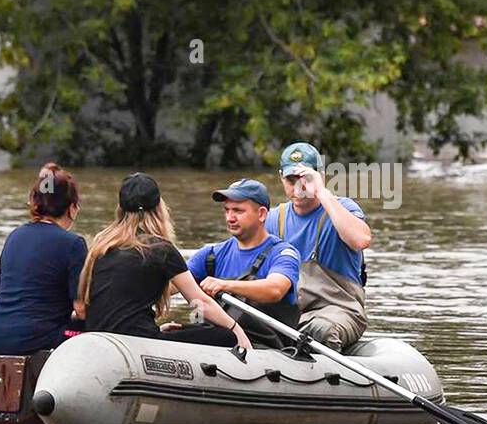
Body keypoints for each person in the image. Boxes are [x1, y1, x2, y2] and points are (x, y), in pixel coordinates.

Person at [80, 172, 253, 351]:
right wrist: (237, 331)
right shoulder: (160, 249)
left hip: (100, 337)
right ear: (159, 208)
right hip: (138, 341)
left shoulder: (102, 244)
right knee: (224, 336)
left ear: (120, 208)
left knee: (185, 327)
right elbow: (200, 302)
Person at [266, 141, 370, 351]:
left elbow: (361, 240)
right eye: (291, 179)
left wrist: (322, 192)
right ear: (281, 178)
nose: (298, 187)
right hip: (289, 316)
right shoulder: (273, 219)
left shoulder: (343, 208)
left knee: (320, 330)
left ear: (320, 176)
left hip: (339, 311)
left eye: (305, 179)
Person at [0, 163, 87, 356]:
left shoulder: (14, 236)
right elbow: (81, 309)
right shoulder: (73, 244)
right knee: (92, 328)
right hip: (34, 339)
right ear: (71, 208)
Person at [187, 178, 302, 349]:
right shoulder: (211, 254)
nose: (230, 218)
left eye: (238, 211)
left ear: (262, 214)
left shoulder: (283, 253)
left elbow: (275, 289)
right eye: (227, 210)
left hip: (266, 347)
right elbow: (173, 283)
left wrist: (225, 285)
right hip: (218, 339)